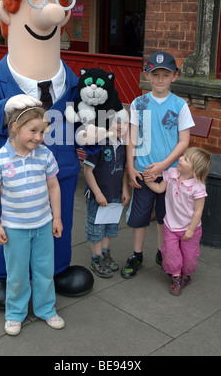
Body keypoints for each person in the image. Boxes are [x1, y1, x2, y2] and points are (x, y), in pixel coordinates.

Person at [0, 0, 98, 308]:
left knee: (58, 223)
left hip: (58, 166)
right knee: (12, 223)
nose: (50, 9)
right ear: (6, 7)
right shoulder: (0, 76)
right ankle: (6, 275)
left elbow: (80, 115)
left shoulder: (70, 79)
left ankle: (57, 269)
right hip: (13, 171)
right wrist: (9, 109)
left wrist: (92, 128)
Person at [0, 106, 65, 335]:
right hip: (14, 229)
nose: (39, 137)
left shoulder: (45, 155)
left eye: (43, 132)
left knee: (44, 270)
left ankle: (46, 309)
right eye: (33, 131)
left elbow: (53, 186)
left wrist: (56, 217)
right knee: (17, 274)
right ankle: (15, 313)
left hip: (42, 224)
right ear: (15, 128)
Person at [121, 51, 195, 279]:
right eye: (155, 75)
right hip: (143, 170)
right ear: (147, 75)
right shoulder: (138, 103)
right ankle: (137, 254)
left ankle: (164, 251)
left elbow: (184, 141)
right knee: (140, 216)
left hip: (171, 173)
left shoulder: (180, 105)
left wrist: (163, 165)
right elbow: (132, 137)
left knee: (165, 217)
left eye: (165, 75)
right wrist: (130, 166)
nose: (160, 80)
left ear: (174, 76)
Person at [144, 147, 211, 296]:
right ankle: (175, 276)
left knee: (190, 256)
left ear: (194, 171)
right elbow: (161, 188)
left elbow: (199, 211)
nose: (181, 158)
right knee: (171, 254)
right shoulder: (172, 174)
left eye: (186, 159)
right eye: (183, 156)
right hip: (171, 226)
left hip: (190, 228)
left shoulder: (198, 187)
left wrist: (191, 229)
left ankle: (186, 275)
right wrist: (148, 182)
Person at [83, 112, 130, 278]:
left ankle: (104, 253)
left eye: (124, 123)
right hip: (99, 195)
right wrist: (97, 193)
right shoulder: (99, 144)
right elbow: (88, 170)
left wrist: (125, 189)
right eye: (116, 122)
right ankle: (96, 258)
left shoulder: (123, 145)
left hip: (115, 194)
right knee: (96, 227)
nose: (120, 126)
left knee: (110, 226)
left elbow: (123, 170)